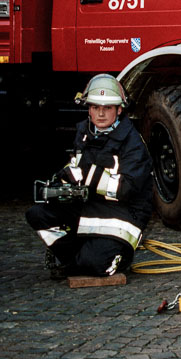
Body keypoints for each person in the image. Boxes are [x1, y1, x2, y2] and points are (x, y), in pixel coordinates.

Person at [26, 74, 152, 278]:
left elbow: (127, 188)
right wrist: (61, 182)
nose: (101, 114)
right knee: (38, 214)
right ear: (88, 109)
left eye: (107, 108)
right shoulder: (84, 133)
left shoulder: (133, 144)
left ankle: (112, 257)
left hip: (122, 216)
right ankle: (76, 260)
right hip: (89, 207)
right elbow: (74, 167)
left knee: (96, 265)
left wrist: (87, 175)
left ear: (119, 110)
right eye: (95, 107)